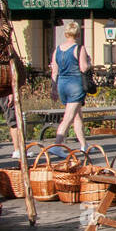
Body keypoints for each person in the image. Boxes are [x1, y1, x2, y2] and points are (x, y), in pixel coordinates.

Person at [50, 21, 90, 152]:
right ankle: (56, 145)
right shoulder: (79, 48)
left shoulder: (58, 49)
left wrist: (53, 89)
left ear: (66, 33)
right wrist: (89, 62)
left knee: (77, 115)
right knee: (68, 117)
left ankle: (84, 145)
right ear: (78, 34)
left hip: (62, 84)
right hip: (75, 84)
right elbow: (84, 68)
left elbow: (54, 71)